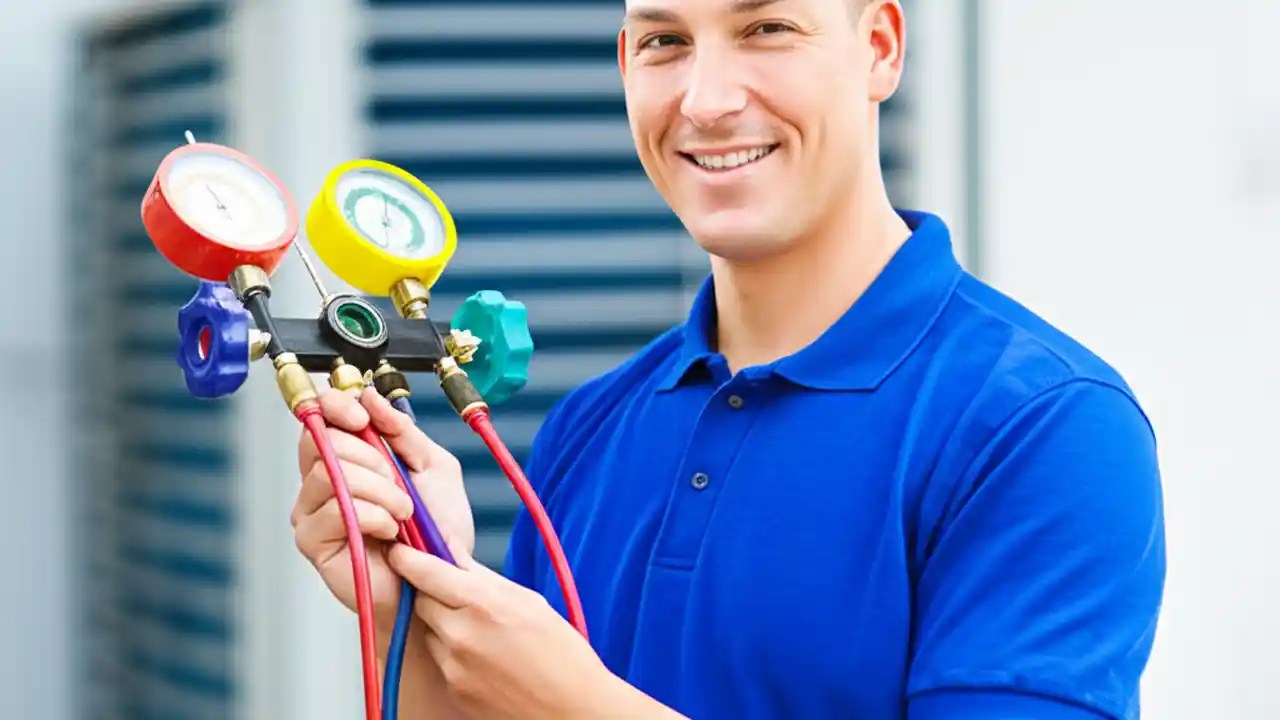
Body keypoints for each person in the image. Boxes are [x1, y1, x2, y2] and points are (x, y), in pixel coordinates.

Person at [291, 0, 1166, 718]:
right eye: (667, 41)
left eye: (766, 28)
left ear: (879, 48)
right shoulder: (592, 426)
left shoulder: (1046, 428)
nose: (705, 100)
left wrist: (582, 706)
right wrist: (412, 612)